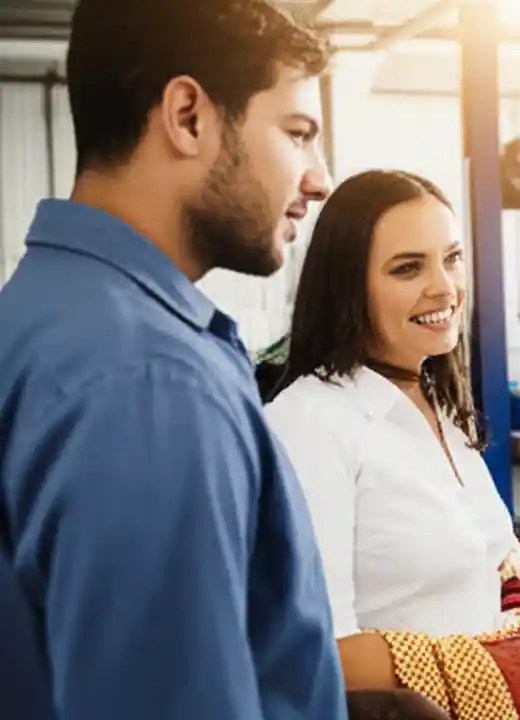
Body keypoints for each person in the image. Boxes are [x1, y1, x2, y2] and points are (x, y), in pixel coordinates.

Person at [0, 1, 347, 718]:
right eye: (298, 134)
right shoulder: (152, 380)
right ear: (188, 115)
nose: (319, 179)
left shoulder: (42, 316)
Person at [264, 170, 520, 720]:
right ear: (348, 287)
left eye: (453, 257)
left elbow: (497, 571)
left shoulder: (438, 405)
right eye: (407, 268)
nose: (444, 286)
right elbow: (310, 651)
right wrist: (491, 665)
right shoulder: (310, 422)